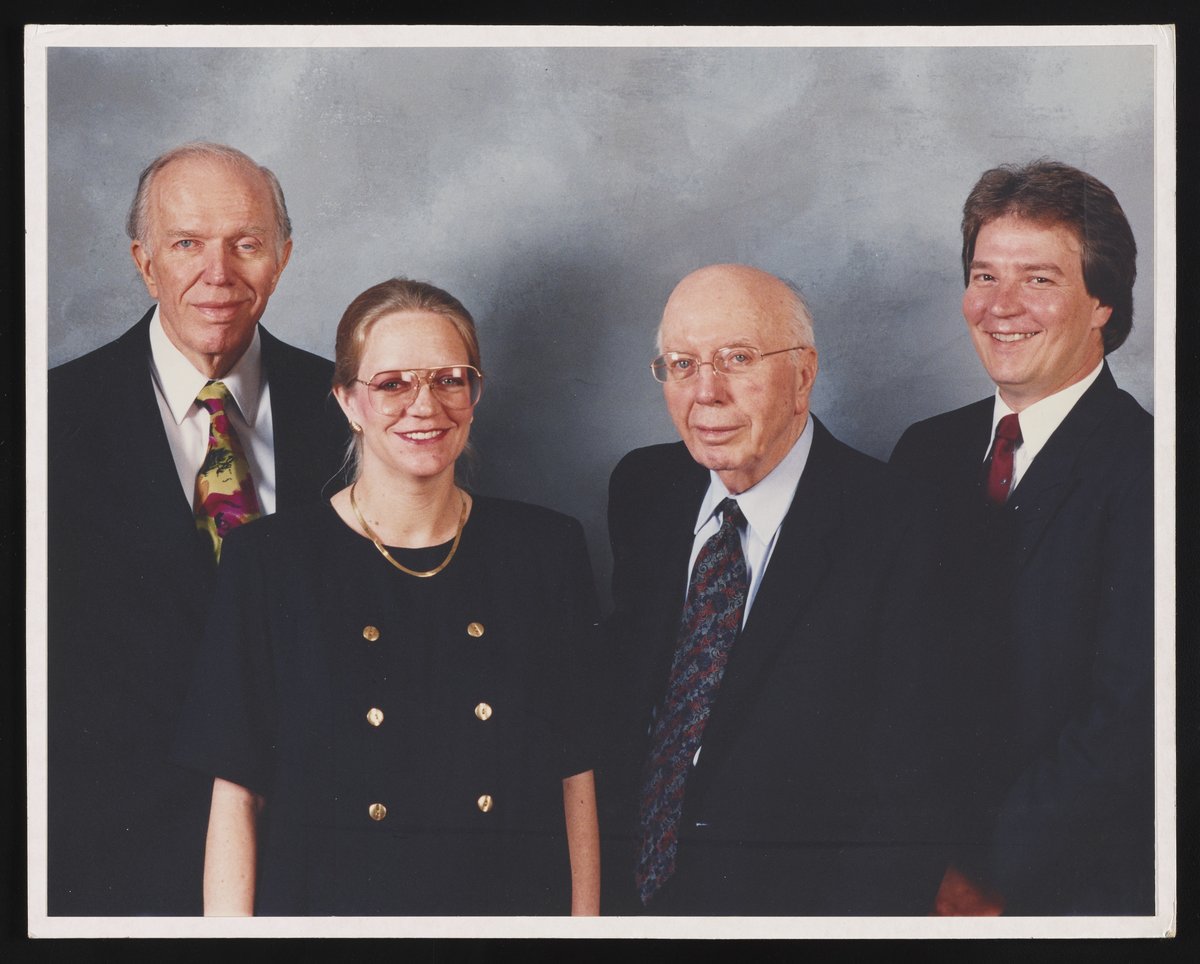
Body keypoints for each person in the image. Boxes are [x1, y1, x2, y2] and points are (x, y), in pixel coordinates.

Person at [171, 278, 601, 916]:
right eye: (392, 383)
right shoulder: (269, 561)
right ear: (348, 400)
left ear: (474, 394)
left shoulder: (545, 550)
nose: (424, 406)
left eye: (449, 379)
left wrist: (583, 939)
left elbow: (577, 779)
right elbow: (236, 796)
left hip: (504, 914)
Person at [47, 142, 347, 915]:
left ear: (281, 259)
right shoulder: (45, 422)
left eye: (245, 244)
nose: (218, 273)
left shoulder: (355, 410)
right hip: (107, 866)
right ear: (145, 262)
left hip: (318, 857)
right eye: (186, 244)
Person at [598, 263, 952, 915]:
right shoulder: (646, 487)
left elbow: (910, 795)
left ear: (804, 373)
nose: (706, 392)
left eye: (737, 358)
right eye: (681, 364)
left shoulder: (903, 526)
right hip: (628, 904)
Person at [890, 160, 1153, 915]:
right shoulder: (924, 453)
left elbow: (1128, 721)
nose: (1001, 307)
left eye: (1038, 279)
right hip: (910, 874)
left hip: (1065, 890)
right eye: (983, 276)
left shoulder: (1151, 471)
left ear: (1102, 299)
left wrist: (988, 873)